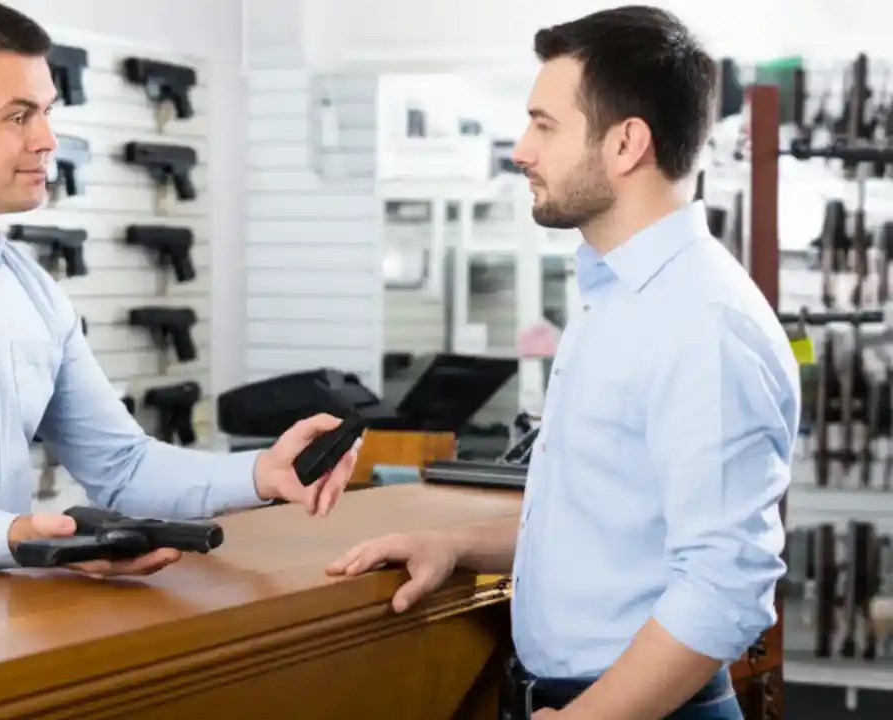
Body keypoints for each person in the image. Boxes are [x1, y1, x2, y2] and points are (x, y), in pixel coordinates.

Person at [0, 0, 357, 586]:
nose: (48, 139)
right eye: (18, 116)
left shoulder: (33, 293)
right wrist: (21, 539)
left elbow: (122, 465)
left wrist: (263, 473)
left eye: (46, 112)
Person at [327, 7, 798, 720]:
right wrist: (455, 546)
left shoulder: (704, 323)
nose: (521, 149)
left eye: (544, 125)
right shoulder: (614, 295)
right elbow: (604, 525)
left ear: (625, 143)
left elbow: (724, 585)